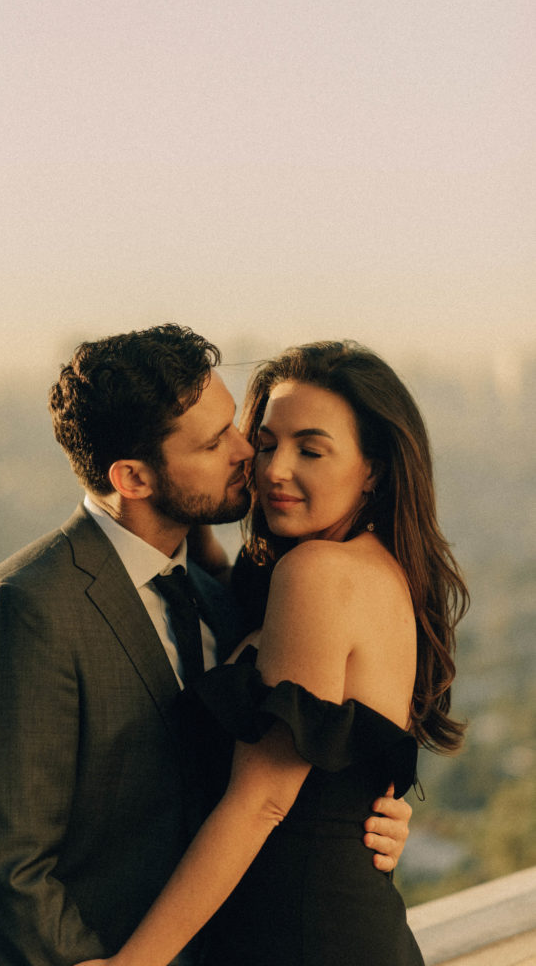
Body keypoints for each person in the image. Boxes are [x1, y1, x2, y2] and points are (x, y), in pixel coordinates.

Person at [0, 326, 412, 966]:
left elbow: (275, 774)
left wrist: (358, 813)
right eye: (219, 442)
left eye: (239, 427)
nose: (250, 454)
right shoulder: (26, 608)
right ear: (132, 476)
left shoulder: (225, 596)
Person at [78, 340, 468, 966]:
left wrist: (133, 964)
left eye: (311, 450)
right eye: (264, 444)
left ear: (373, 470)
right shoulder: (355, 569)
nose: (275, 469)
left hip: (309, 935)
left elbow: (262, 801)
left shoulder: (317, 573)